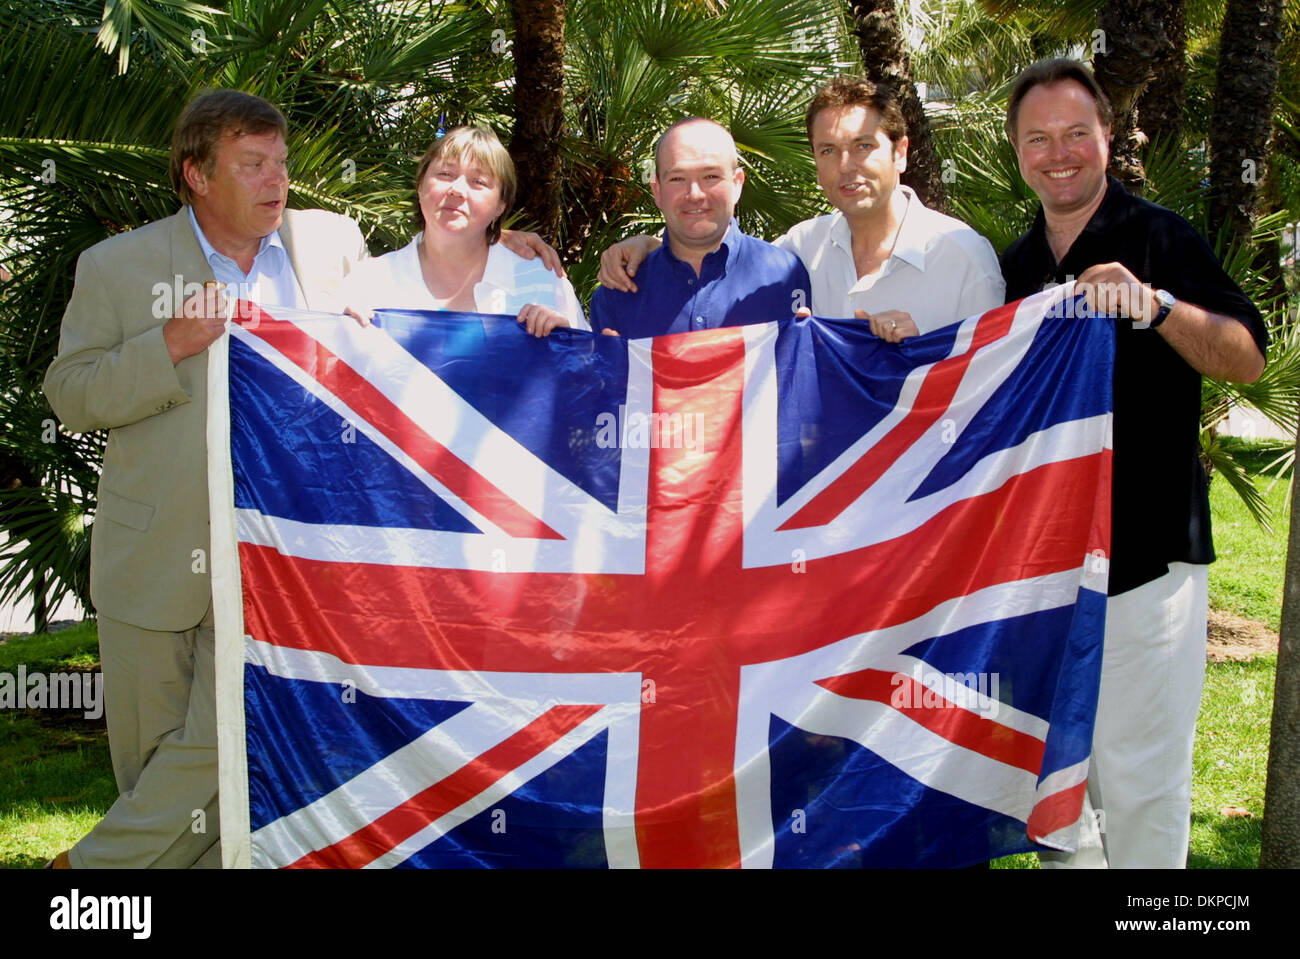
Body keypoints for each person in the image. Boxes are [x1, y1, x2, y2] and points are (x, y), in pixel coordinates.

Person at [43, 90, 369, 868]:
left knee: (235, 742)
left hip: (282, 563)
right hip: (154, 557)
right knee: (156, 777)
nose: (276, 180)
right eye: (252, 164)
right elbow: (71, 395)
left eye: (281, 162)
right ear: (195, 174)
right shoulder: (117, 266)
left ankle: (83, 877)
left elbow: (430, 284)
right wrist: (171, 344)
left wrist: (515, 245)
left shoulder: (334, 248)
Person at [1000, 59, 1267, 868]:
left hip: (1147, 559)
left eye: (1077, 133)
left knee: (1142, 783)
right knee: (1061, 794)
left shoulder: (1160, 237)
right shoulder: (1012, 268)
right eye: (1038, 137)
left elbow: (1246, 355)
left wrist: (1154, 306)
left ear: (1107, 139)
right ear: (1016, 150)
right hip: (1043, 570)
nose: (1059, 153)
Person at [595, 79, 1004, 342]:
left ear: (900, 153)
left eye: (863, 146)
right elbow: (711, 250)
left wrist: (921, 352)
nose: (846, 165)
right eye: (828, 150)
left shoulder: (965, 258)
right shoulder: (799, 251)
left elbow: (991, 392)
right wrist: (646, 245)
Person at [342, 125, 585, 336]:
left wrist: (568, 345)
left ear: (501, 205)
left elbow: (591, 379)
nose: (457, 190)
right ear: (420, 186)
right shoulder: (368, 283)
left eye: (478, 182)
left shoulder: (542, 281)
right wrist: (340, 331)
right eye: (445, 174)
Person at [587, 118, 810, 337]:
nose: (694, 194)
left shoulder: (787, 275)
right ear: (657, 190)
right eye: (677, 178)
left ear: (737, 184)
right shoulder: (615, 296)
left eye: (710, 176)